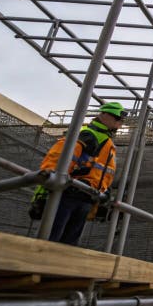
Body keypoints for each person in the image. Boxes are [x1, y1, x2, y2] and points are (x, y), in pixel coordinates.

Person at [39, 102, 127, 245]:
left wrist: (105, 190)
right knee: (51, 238)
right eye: (117, 119)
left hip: (87, 197)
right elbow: (56, 159)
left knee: (69, 242)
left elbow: (103, 172)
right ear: (103, 114)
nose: (119, 124)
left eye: (121, 121)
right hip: (68, 192)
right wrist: (47, 186)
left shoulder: (108, 143)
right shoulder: (86, 134)